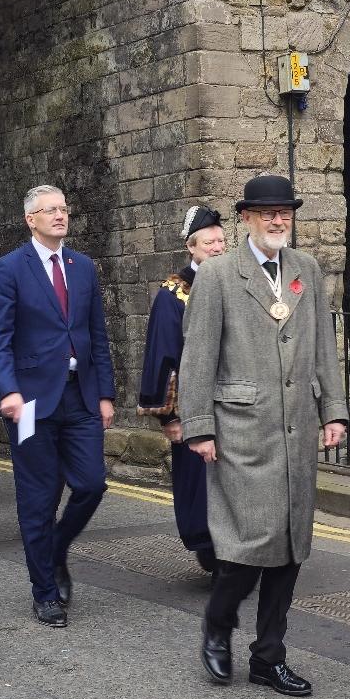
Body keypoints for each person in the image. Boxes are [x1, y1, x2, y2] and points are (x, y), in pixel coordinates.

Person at [179, 174, 349, 697]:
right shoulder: (218, 275)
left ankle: (268, 656)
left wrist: (334, 411)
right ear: (247, 218)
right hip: (241, 431)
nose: (278, 221)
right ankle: (218, 624)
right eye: (268, 213)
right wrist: (198, 426)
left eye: (285, 213)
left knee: (292, 546)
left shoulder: (306, 268)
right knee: (246, 546)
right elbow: (198, 356)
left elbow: (323, 346)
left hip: (297, 429)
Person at [0, 185, 116, 628]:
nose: (60, 215)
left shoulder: (83, 267)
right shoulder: (9, 268)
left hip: (80, 395)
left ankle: (56, 548)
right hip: (31, 402)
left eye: (63, 209)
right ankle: (44, 592)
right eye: (50, 210)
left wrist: (105, 393)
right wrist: (8, 390)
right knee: (38, 500)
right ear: (31, 219)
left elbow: (97, 334)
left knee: (92, 483)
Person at [138, 205, 227, 573]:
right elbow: (163, 353)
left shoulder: (234, 284)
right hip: (194, 409)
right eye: (209, 242)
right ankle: (213, 553)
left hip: (233, 406)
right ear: (191, 247)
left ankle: (237, 550)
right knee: (200, 484)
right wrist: (170, 416)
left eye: (221, 241)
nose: (218, 247)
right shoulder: (173, 294)